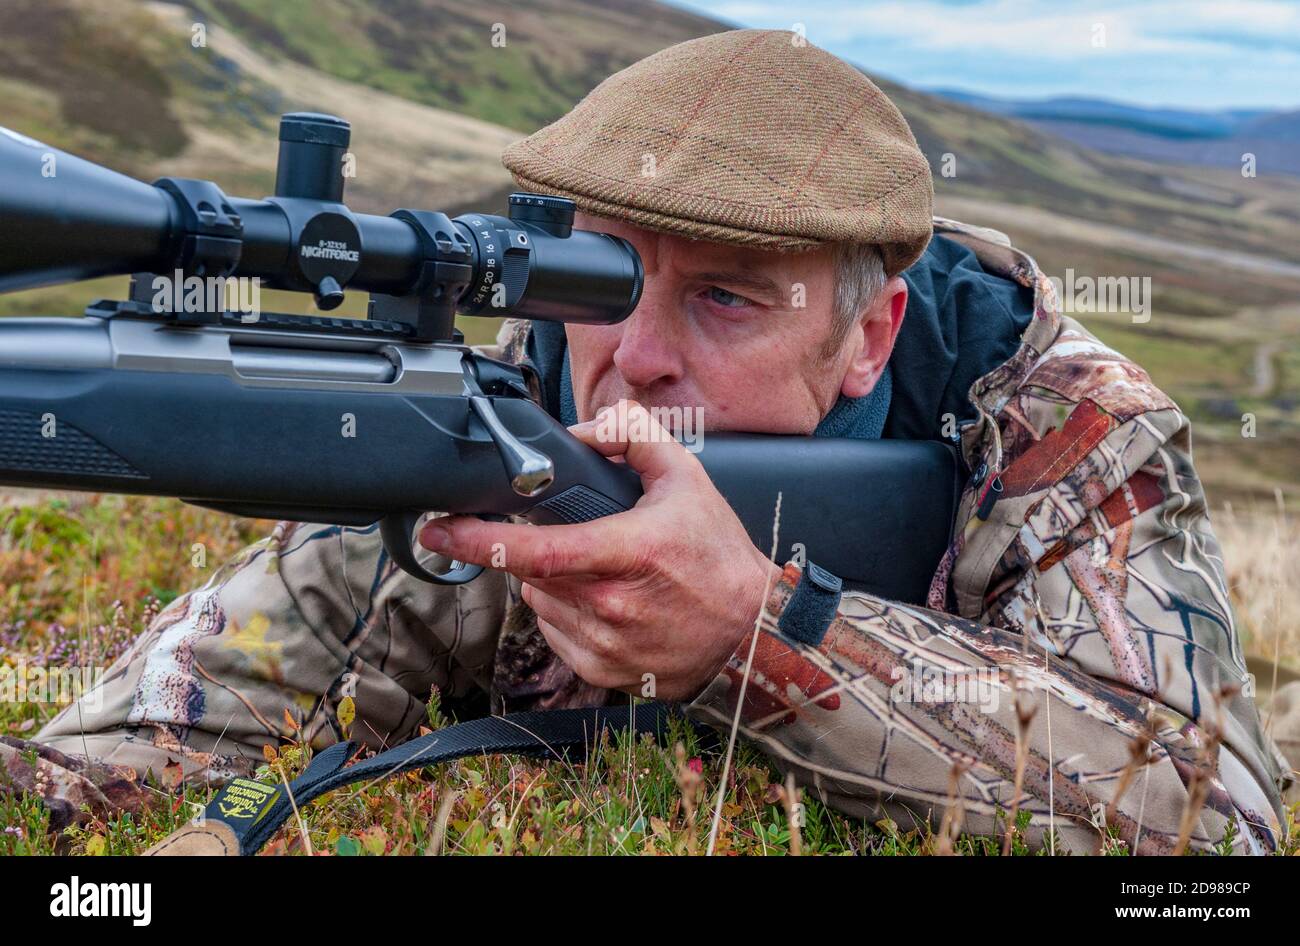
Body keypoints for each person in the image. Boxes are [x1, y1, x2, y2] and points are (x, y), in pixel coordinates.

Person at [4, 29, 1289, 854]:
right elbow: (138, 747)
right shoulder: (490, 420)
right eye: (599, 282)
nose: (635, 355)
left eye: (723, 297)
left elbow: (1214, 827)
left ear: (869, 333)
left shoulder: (1065, 427)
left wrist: (758, 635)